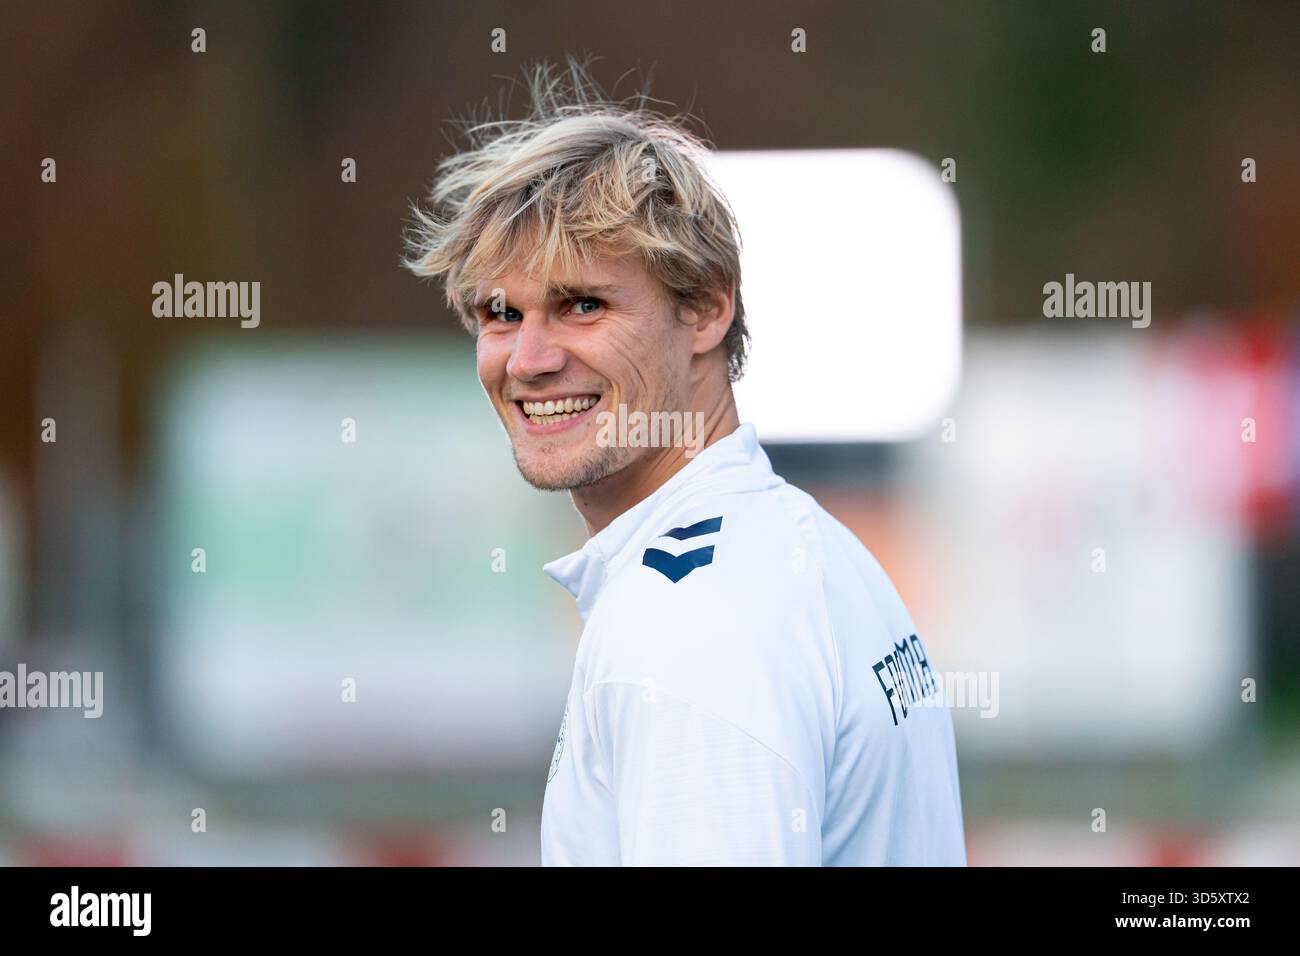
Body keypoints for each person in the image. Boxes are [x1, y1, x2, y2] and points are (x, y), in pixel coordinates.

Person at [403, 57, 965, 866]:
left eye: (582, 304)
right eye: (500, 312)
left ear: (705, 308)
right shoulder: (809, 552)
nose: (527, 358)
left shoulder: (685, 624)